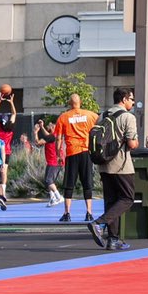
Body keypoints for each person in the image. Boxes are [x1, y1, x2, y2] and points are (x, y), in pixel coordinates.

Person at [91, 88, 138, 250]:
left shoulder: (102, 115)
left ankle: (113, 239)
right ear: (124, 99)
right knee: (127, 198)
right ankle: (99, 223)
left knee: (111, 201)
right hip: (122, 166)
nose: (132, 102)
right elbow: (132, 144)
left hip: (104, 165)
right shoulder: (128, 117)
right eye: (131, 99)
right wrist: (136, 142)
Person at [52, 94, 99, 226]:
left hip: (72, 153)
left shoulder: (64, 117)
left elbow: (58, 138)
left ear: (69, 102)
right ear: (80, 102)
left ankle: (67, 213)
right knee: (87, 182)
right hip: (86, 152)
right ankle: (89, 212)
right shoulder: (91, 115)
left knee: (69, 183)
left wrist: (58, 154)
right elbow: (101, 128)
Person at [35, 117, 64, 210]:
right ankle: (52, 198)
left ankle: (59, 197)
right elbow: (42, 139)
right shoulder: (51, 136)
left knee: (49, 181)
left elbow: (42, 140)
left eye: (52, 124)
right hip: (52, 162)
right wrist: (39, 129)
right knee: (47, 181)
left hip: (55, 162)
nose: (50, 125)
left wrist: (39, 129)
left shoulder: (53, 136)